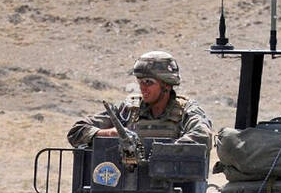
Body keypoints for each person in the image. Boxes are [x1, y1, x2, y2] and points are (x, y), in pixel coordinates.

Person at [68, 51, 212, 147]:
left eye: (149, 82)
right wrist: (110, 133)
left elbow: (202, 137)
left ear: (166, 85)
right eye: (140, 81)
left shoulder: (186, 111)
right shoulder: (128, 110)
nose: (142, 87)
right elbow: (76, 131)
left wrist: (164, 154)